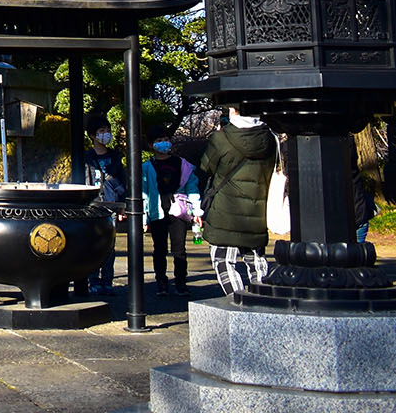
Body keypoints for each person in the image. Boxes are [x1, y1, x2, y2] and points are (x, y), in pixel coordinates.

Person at [197, 106, 276, 294]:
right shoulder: (270, 138)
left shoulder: (221, 139)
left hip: (225, 210)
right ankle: (262, 299)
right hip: (258, 208)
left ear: (234, 110)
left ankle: (237, 301)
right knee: (256, 259)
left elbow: (205, 168)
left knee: (223, 260)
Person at [141, 136, 200, 296]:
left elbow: (192, 187)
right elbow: (143, 192)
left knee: (179, 248)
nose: (163, 143)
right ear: (151, 144)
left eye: (166, 139)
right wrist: (144, 216)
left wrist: (196, 211)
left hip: (178, 211)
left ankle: (181, 282)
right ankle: (161, 282)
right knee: (159, 249)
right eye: (158, 139)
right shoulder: (146, 167)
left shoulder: (182, 164)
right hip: (156, 211)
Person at [80, 124, 127, 295]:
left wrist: (122, 204)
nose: (105, 134)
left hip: (111, 204)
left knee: (109, 247)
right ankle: (93, 280)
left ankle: (107, 281)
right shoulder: (87, 157)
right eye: (101, 131)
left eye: (107, 131)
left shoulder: (115, 157)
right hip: (92, 205)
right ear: (92, 135)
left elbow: (122, 180)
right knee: (92, 245)